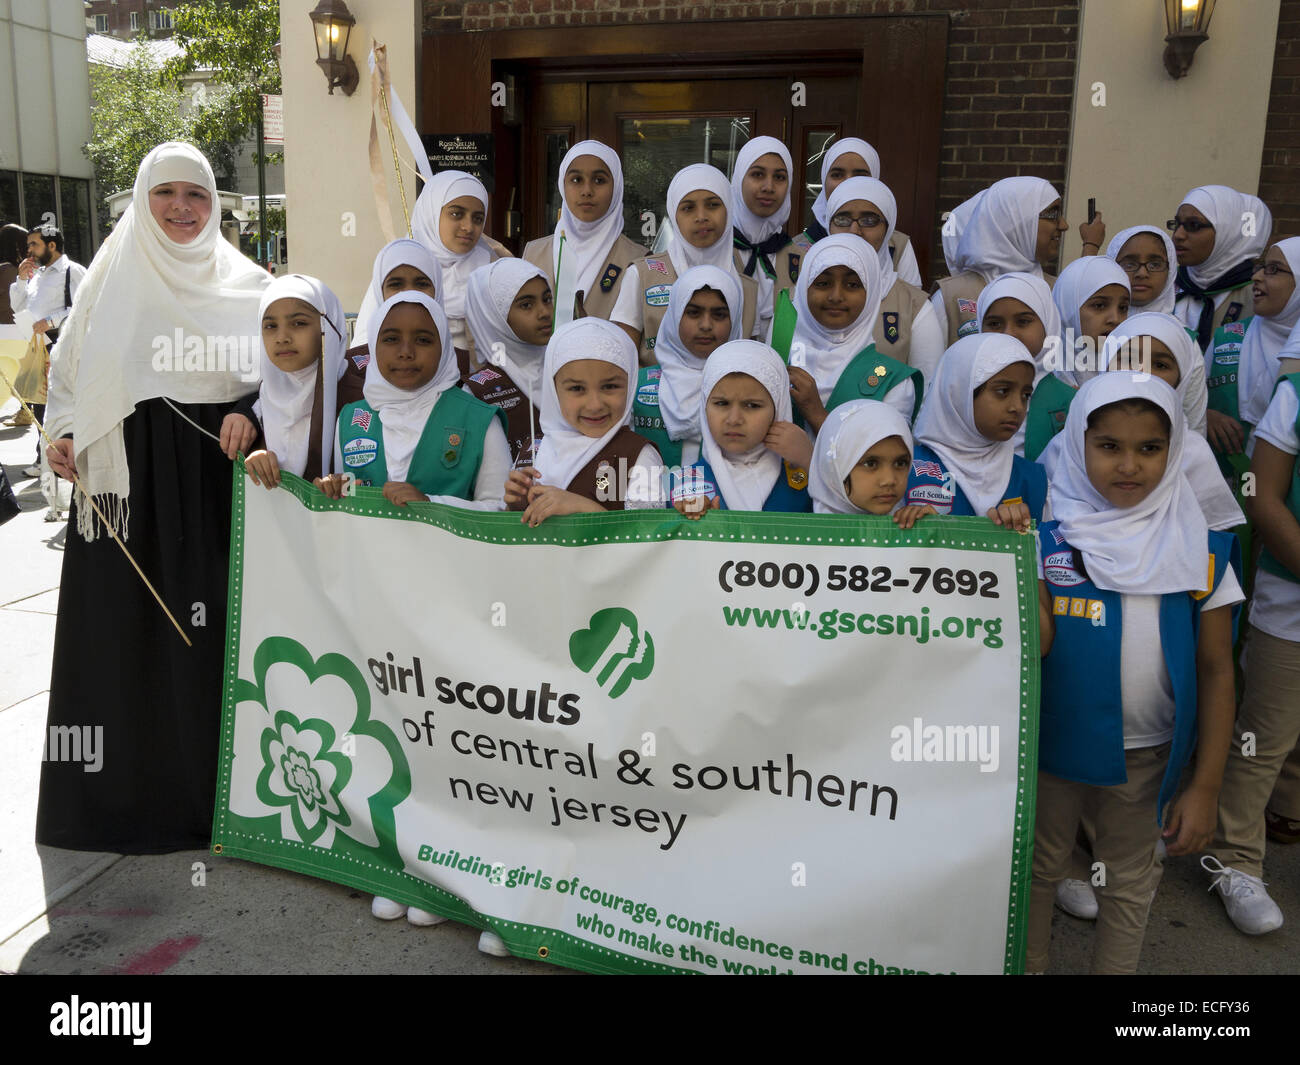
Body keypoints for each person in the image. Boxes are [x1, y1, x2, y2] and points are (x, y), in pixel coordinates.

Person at [37, 141, 270, 854]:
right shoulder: (109, 281)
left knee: (206, 640)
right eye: (165, 193)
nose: (180, 207)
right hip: (124, 492)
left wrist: (255, 413)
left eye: (196, 195)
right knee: (124, 636)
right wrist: (67, 432)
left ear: (215, 207)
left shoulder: (252, 288)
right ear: (141, 200)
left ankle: (215, 805)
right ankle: (114, 804)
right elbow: (70, 373)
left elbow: (290, 372)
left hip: (212, 485)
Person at [1028, 373, 1241, 974]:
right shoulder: (1045, 539)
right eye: (1109, 446)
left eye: (1150, 448)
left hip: (1149, 757)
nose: (1129, 466)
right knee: (1039, 871)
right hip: (1053, 750)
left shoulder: (1201, 548)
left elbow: (1219, 673)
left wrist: (1203, 788)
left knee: (1128, 883)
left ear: (1174, 453)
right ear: (1077, 445)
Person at [1200, 371, 1300, 935]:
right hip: (1293, 599)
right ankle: (1235, 860)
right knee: (1265, 734)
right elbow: (1264, 497)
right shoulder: (1296, 397)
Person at [321, 290, 508, 511]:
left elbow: (500, 509)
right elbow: (350, 500)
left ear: (444, 346)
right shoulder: (350, 419)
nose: (406, 352)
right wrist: (334, 490)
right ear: (373, 345)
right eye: (391, 339)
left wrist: (432, 504)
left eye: (423, 340)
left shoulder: (479, 420)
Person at [505, 317, 664, 524]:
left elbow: (650, 539)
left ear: (630, 383)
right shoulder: (534, 450)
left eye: (609, 387)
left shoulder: (638, 457)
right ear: (553, 390)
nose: (594, 405)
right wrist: (515, 505)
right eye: (577, 389)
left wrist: (581, 507)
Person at [610, 163, 766, 364]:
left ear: (729, 209)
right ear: (674, 214)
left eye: (713, 205)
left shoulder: (748, 287)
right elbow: (621, 360)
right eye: (688, 208)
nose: (701, 217)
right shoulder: (642, 275)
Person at [903, 332, 1045, 529]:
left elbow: (1047, 552)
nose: (1017, 407)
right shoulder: (905, 467)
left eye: (1025, 395)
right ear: (959, 392)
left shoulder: (1033, 479)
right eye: (1002, 391)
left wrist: (1023, 534)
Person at [786, 234, 922, 434]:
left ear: (872, 293)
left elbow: (883, 457)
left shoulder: (894, 382)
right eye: (822, 283)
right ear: (803, 289)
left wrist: (816, 414)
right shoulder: (776, 360)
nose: (836, 297)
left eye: (853, 285)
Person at [669, 339, 812, 516]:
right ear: (704, 405)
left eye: (752, 405)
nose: (734, 419)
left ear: (778, 408)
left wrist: (811, 463)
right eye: (722, 403)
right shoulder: (680, 488)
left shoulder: (808, 479)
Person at [825, 176, 944, 384]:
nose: (855, 231)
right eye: (842, 219)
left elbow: (926, 392)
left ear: (887, 228)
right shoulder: (796, 299)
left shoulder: (915, 307)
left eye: (869, 220)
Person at [630, 265, 743, 468]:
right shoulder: (636, 385)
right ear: (674, 317)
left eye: (719, 315)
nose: (706, 325)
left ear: (734, 321)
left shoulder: (750, 389)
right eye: (693, 313)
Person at [931, 176, 1064, 345]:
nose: (1063, 225)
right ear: (1016, 220)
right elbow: (930, 369)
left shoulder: (1058, 291)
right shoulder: (952, 296)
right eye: (1052, 214)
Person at [244, 274, 349, 488]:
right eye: (270, 326)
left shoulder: (358, 398)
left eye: (298, 323)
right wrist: (256, 459)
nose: (282, 337)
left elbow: (375, 481)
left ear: (326, 327)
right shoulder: (261, 403)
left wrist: (345, 487)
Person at [523, 141, 644, 323]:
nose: (587, 191)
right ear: (562, 185)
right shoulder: (533, 254)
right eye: (576, 180)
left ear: (617, 187)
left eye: (599, 180)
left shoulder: (637, 260)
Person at [1023, 256, 1131, 460]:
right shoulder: (1038, 375)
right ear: (1067, 308)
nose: (1115, 318)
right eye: (1099, 306)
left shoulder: (1134, 372)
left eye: (1123, 308)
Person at [1207, 238, 1300, 467]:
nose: (1256, 277)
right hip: (1224, 485)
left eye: (1274, 270)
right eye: (1261, 267)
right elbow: (1187, 399)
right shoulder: (1226, 338)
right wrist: (1205, 415)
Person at [410, 170, 509, 378]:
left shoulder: (492, 267)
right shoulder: (404, 266)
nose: (469, 227)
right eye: (456, 213)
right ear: (432, 213)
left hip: (481, 387)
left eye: (478, 218)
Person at [9, 224, 86, 471]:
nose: (29, 250)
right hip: (36, 345)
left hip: (61, 344)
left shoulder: (72, 272)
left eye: (34, 244)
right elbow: (18, 305)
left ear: (51, 245)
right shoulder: (36, 274)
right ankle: (43, 458)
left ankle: (60, 456)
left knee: (61, 402)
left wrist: (50, 321)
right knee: (40, 403)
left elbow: (83, 308)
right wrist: (20, 280)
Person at [797, 137, 922, 288]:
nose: (848, 182)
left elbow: (910, 304)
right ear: (824, 180)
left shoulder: (898, 246)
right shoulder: (796, 249)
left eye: (860, 175)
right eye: (837, 175)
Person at [462, 258, 553, 464]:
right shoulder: (477, 393)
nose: (545, 313)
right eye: (527, 305)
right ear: (494, 316)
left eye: (547, 299)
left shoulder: (570, 367)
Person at [1171, 185, 1271, 355]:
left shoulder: (1257, 294)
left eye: (1193, 225)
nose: (1178, 235)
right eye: (1177, 224)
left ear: (1227, 232)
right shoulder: (1169, 285)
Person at [808, 398, 937, 528]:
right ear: (835, 469)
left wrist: (932, 536)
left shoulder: (910, 524)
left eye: (900, 463)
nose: (889, 480)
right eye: (870, 464)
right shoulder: (802, 541)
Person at [976, 272, 1061, 456]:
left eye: (1023, 322)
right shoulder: (963, 389)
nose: (1008, 334)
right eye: (994, 323)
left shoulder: (1066, 399)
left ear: (1048, 324)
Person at [729, 136, 797, 305]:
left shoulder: (800, 261)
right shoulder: (711, 251)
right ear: (739, 180)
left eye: (780, 177)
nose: (768, 187)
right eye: (757, 174)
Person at [1106, 225, 1178, 314]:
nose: (1142, 273)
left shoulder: (1177, 328)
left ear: (1170, 271)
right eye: (1129, 265)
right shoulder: (1092, 326)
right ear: (1112, 267)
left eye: (1154, 265)